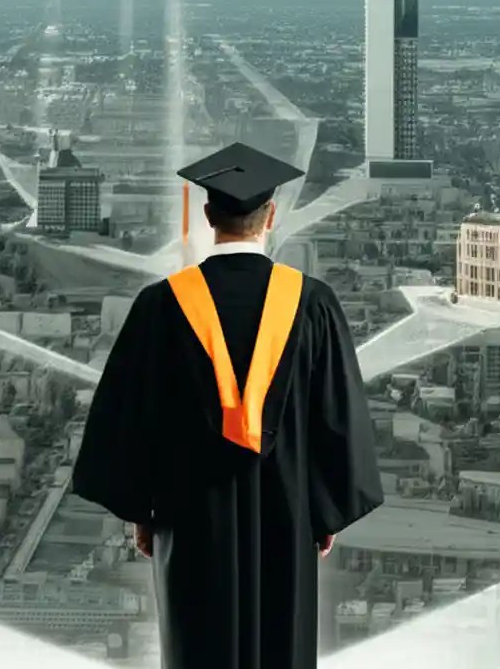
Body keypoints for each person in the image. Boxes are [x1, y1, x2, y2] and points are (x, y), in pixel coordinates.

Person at [73, 142, 384, 669]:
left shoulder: (162, 306)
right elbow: (338, 419)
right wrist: (325, 511)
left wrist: (142, 512)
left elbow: (127, 421)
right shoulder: (312, 304)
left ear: (207, 214)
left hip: (190, 518)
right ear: (271, 216)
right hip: (287, 520)